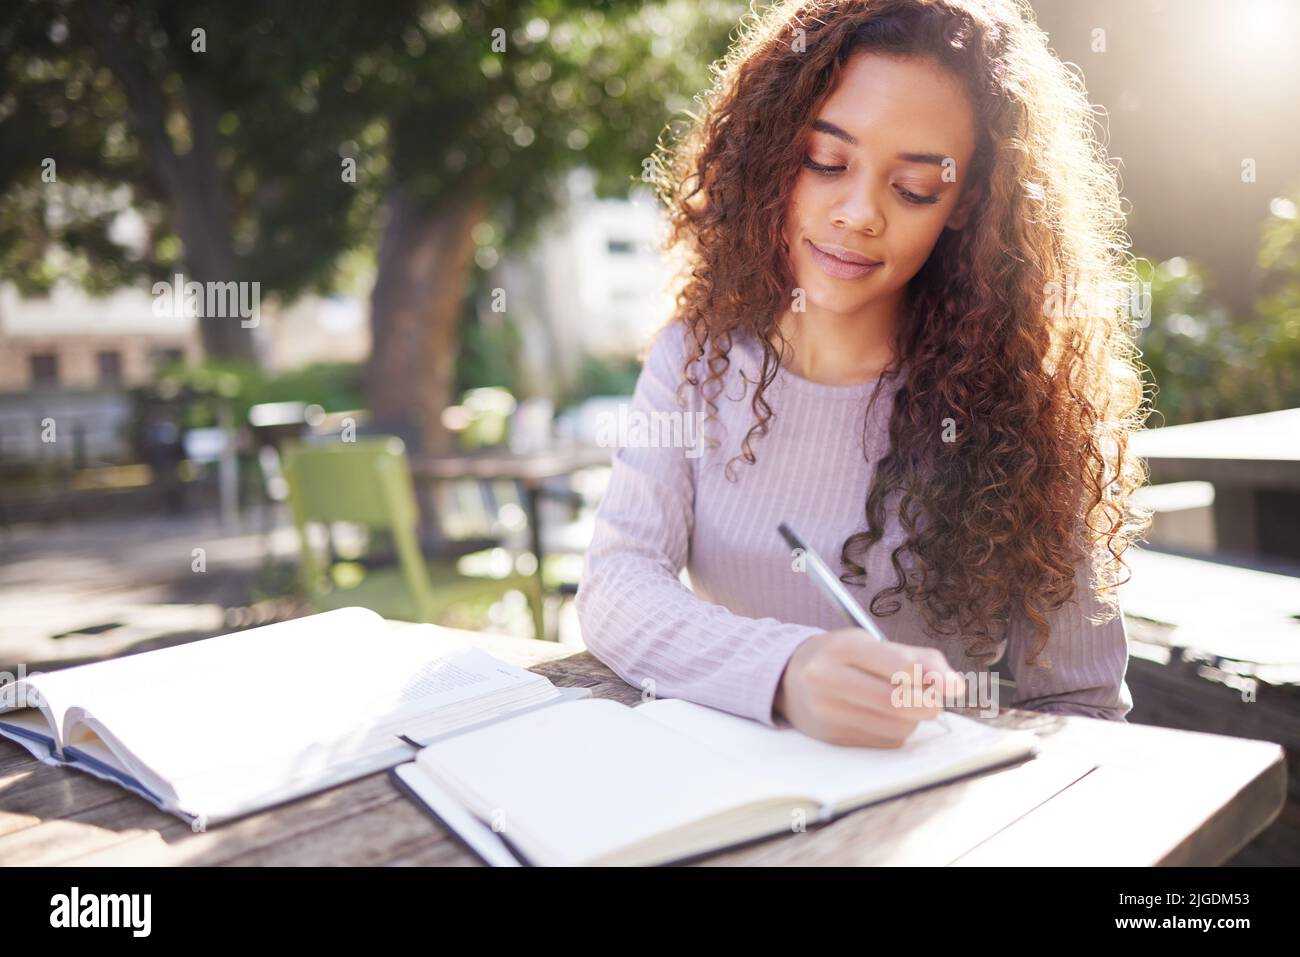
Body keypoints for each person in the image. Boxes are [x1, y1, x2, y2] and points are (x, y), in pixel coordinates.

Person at [575, 0, 1151, 747]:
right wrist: (786, 669)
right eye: (826, 161)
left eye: (914, 188)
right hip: (731, 795)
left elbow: (1082, 704)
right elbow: (618, 582)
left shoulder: (1027, 409)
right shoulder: (695, 356)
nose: (858, 214)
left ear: (966, 205)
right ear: (775, 152)